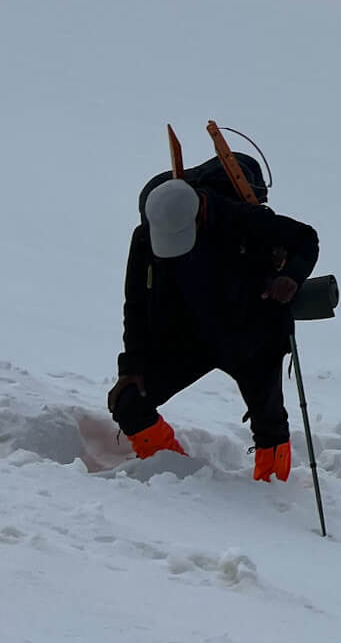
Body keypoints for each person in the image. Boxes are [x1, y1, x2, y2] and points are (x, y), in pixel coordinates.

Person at [108, 151, 320, 481]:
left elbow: (306, 239)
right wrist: (132, 366)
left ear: (198, 214)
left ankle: (273, 492)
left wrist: (290, 276)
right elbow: (135, 303)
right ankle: (171, 474)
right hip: (186, 339)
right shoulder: (146, 236)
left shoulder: (243, 219)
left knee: (270, 426)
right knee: (129, 402)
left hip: (251, 337)